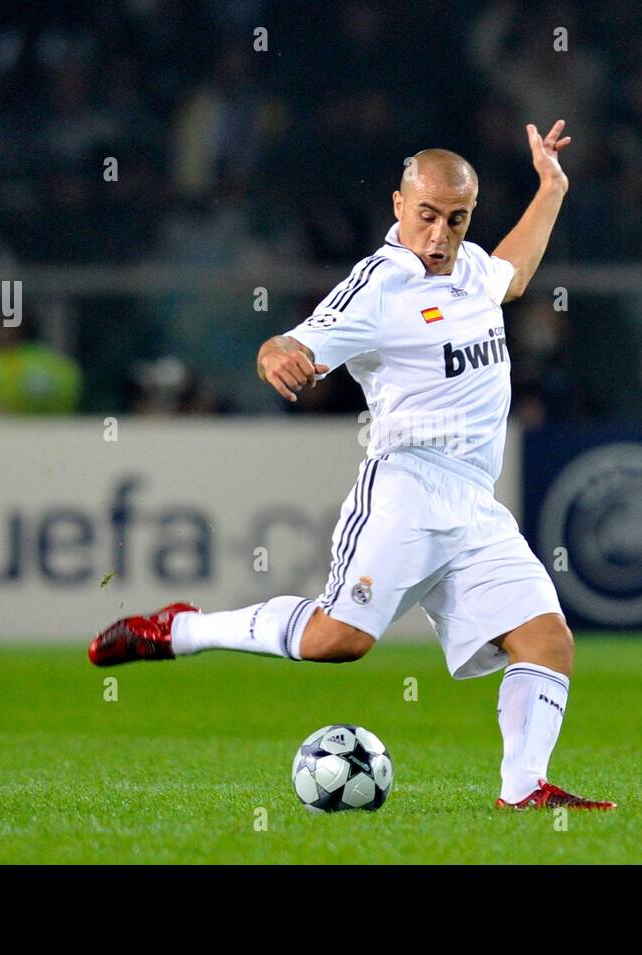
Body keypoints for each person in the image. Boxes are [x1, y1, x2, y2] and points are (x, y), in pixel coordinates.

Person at [88, 121, 615, 811]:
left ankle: (524, 789)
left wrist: (552, 188)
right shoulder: (379, 285)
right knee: (338, 640)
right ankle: (182, 629)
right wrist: (275, 351)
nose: (438, 233)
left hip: (474, 503)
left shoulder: (468, 267)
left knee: (546, 638)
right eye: (426, 215)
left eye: (455, 219)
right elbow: (297, 337)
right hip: (407, 486)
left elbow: (511, 275)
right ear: (399, 206)